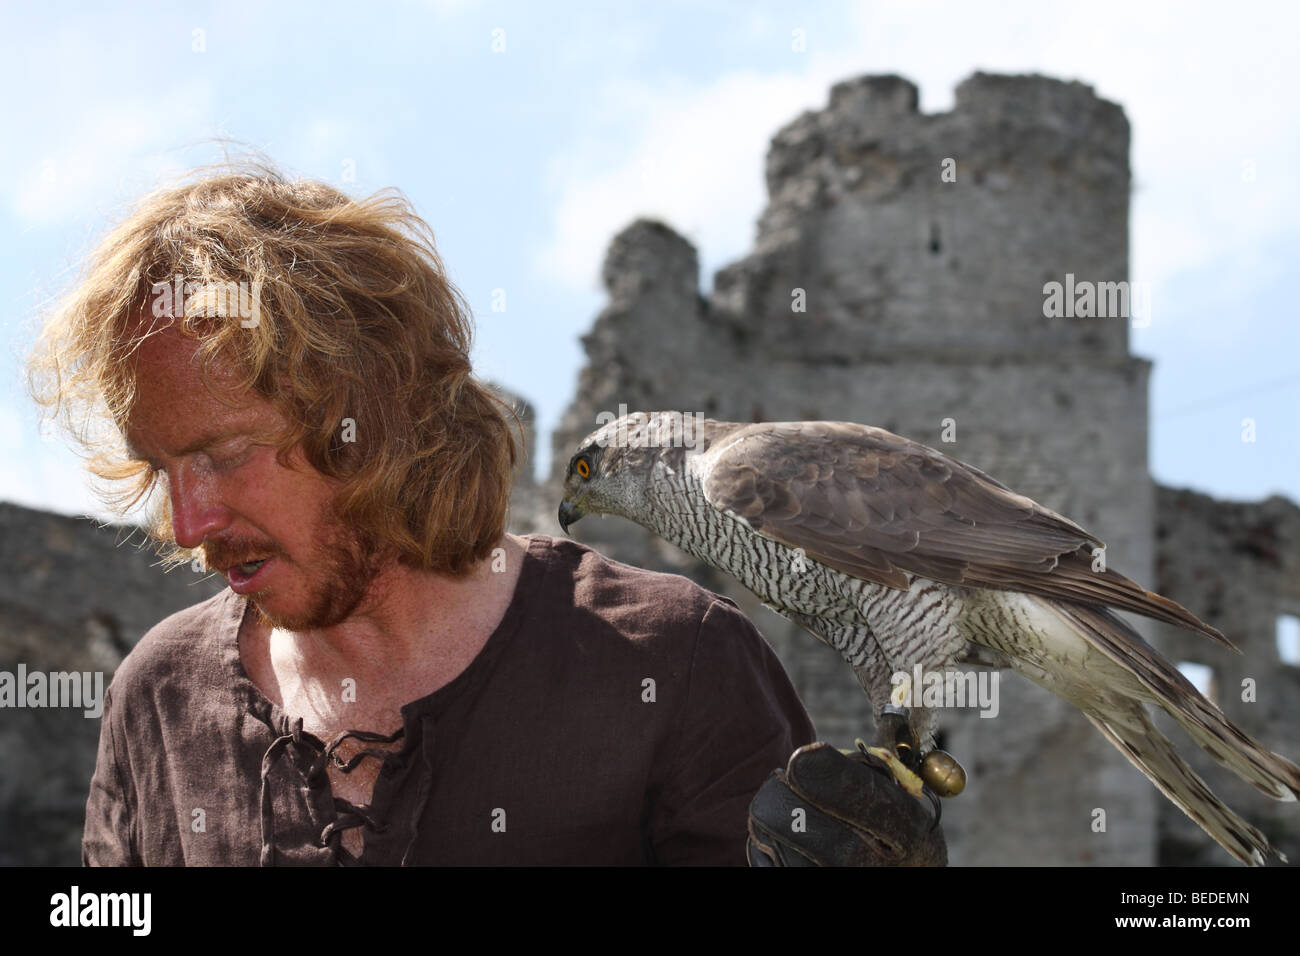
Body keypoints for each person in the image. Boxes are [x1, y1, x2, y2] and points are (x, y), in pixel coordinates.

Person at [27, 163, 944, 866]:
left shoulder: (677, 661)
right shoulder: (157, 696)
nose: (187, 523)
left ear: (372, 416)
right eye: (162, 467)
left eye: (224, 454)